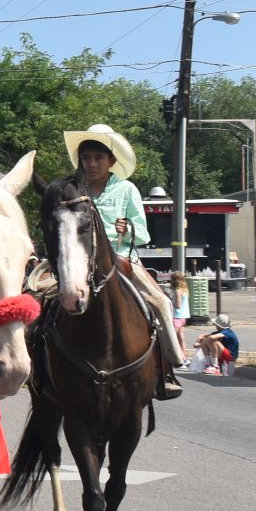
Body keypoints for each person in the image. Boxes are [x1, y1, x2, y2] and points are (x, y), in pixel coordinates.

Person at [62, 123, 185, 401]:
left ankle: (166, 369)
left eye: (98, 158)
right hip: (78, 259)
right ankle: (33, 363)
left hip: (122, 260)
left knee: (161, 302)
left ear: (112, 161)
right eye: (86, 158)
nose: (91, 164)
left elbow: (143, 234)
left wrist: (127, 228)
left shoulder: (127, 190)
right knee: (36, 295)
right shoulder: (72, 188)